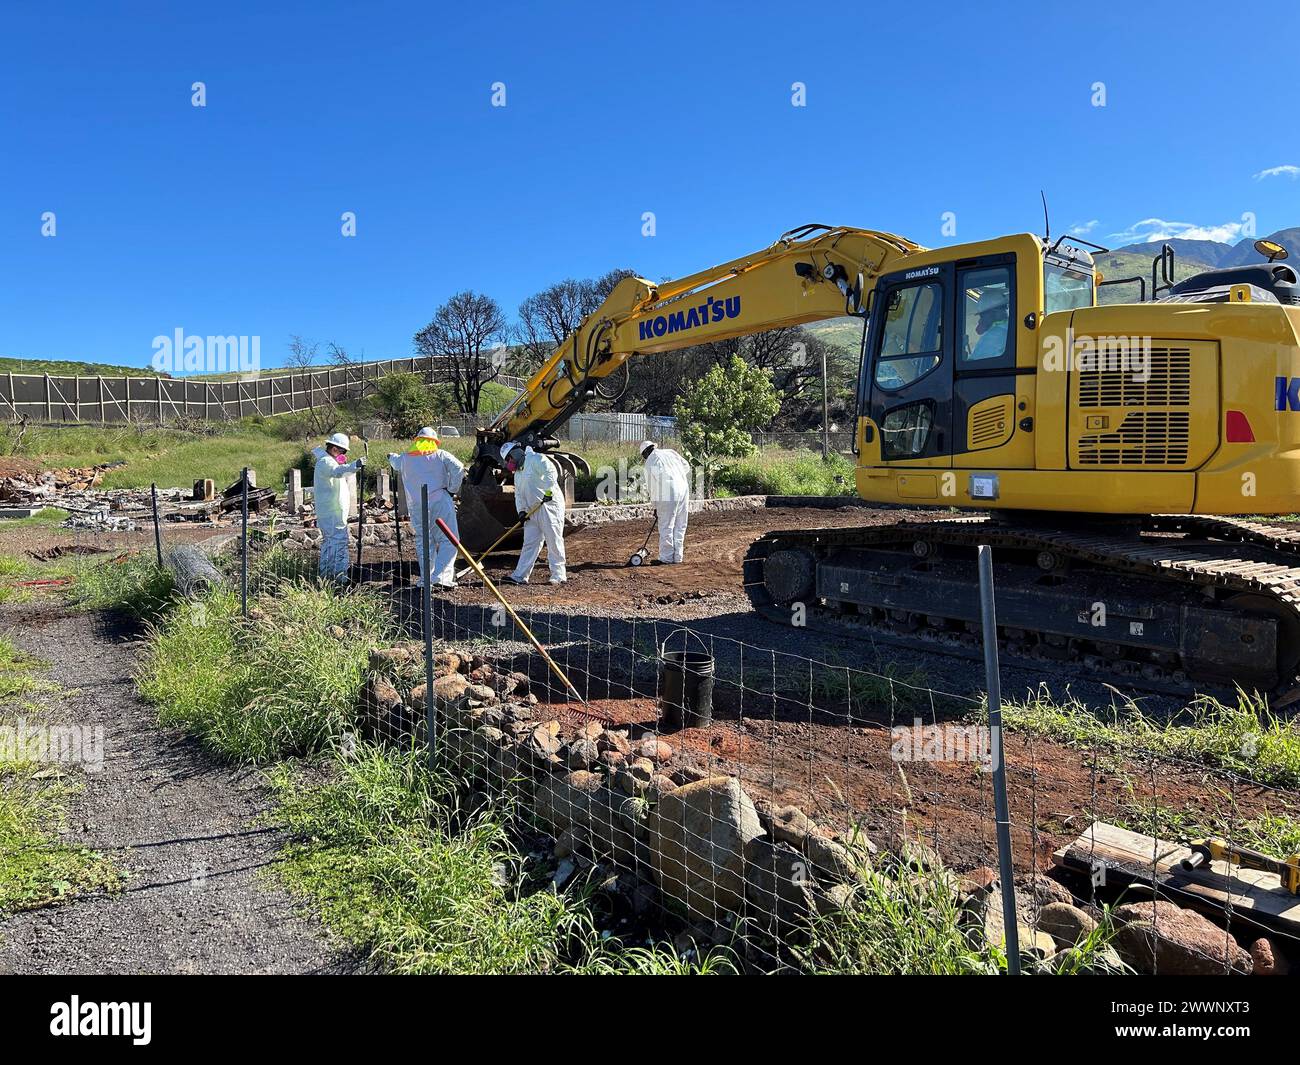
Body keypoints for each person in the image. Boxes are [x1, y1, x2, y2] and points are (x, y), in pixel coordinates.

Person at [388, 427, 464, 588]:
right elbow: (459, 467)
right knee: (449, 539)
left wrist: (391, 457)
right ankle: (442, 577)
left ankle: (427, 579)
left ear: (417, 441)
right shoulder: (440, 455)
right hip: (440, 501)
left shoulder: (405, 458)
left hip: (416, 506)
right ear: (434, 442)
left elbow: (394, 462)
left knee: (424, 541)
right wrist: (452, 489)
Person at [502, 442, 566, 586]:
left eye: (509, 458)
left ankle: (559, 575)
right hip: (532, 510)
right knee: (530, 543)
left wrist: (548, 492)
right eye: (507, 461)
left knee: (553, 539)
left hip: (549, 506)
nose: (509, 463)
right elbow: (518, 494)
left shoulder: (536, 459)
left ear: (517, 452)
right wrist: (521, 511)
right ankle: (520, 576)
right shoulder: (518, 473)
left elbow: (551, 473)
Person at [311, 432, 364, 583]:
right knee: (339, 543)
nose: (343, 455)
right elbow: (338, 472)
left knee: (330, 543)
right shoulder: (326, 462)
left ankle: (326, 576)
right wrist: (355, 465)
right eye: (343, 452)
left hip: (330, 511)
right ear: (335, 449)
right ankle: (340, 578)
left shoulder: (326, 461)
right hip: (333, 512)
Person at [640, 440, 691, 564]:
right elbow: (686, 466)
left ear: (645, 454)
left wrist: (655, 506)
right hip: (683, 488)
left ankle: (666, 558)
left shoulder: (649, 462)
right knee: (680, 524)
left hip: (668, 492)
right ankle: (678, 557)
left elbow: (652, 488)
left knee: (666, 525)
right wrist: (676, 476)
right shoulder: (670, 452)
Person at [967, 286, 1009, 361]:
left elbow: (973, 363)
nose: (981, 319)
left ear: (993, 312)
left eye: (982, 315)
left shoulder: (995, 334)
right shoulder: (1009, 328)